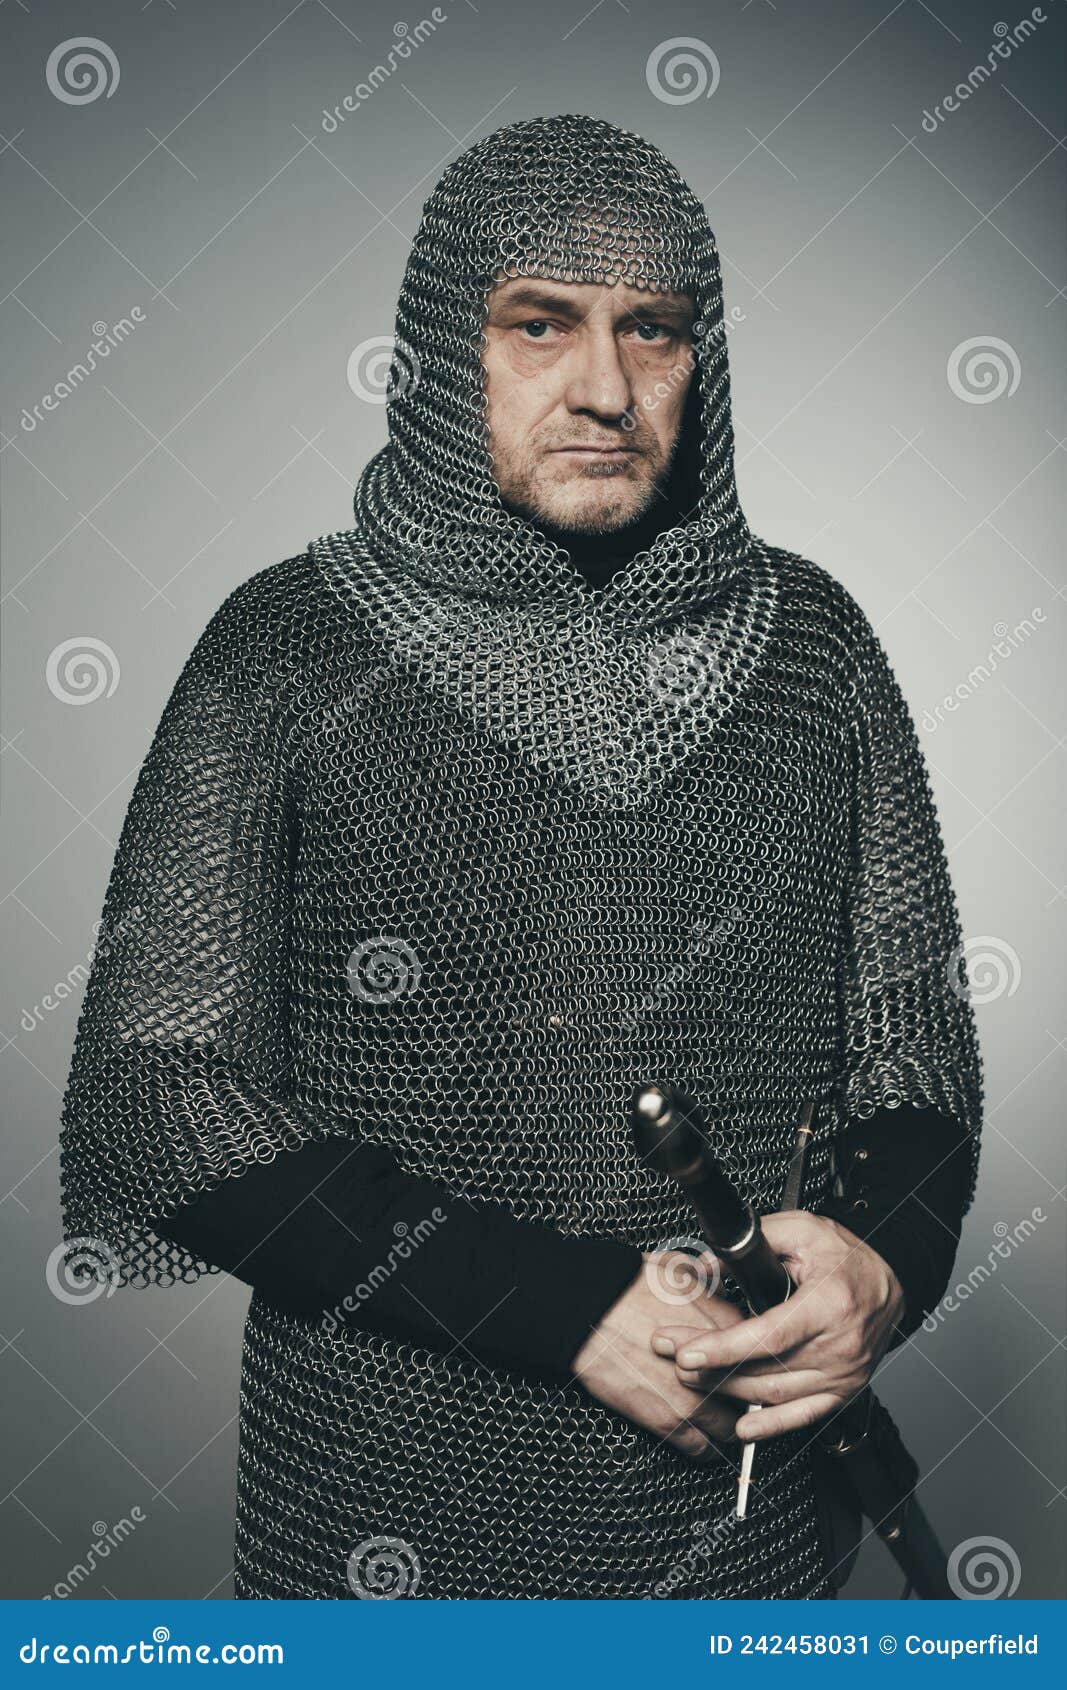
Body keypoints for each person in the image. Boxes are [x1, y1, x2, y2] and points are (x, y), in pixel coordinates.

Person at [58, 114, 982, 1601]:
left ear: (705, 364)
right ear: (445, 355)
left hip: (742, 1529)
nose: (606, 387)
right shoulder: (288, 650)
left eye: (654, 331)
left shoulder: (812, 649)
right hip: (390, 1518)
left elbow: (912, 1055)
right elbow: (158, 1097)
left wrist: (882, 1263)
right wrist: (562, 1307)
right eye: (541, 323)